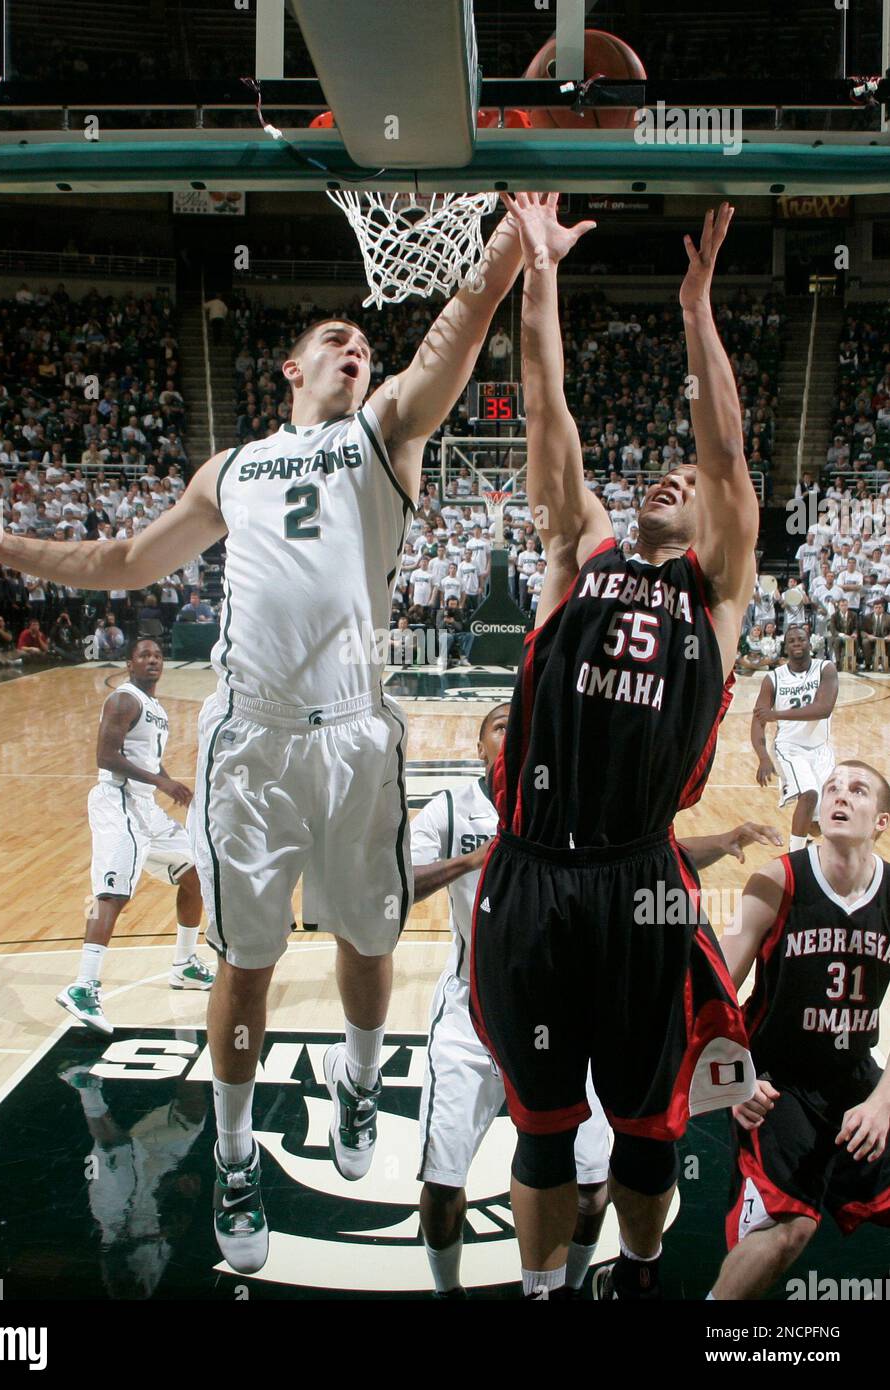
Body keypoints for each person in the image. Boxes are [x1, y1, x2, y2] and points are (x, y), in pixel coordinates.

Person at [0, 206, 527, 1277]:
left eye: (365, 343)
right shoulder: (231, 469)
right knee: (245, 963)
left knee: (367, 939)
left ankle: (356, 1080)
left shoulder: (385, 431)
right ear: (291, 366)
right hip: (249, 744)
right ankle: (241, 1153)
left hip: (355, 736)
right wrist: (2, 544)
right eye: (335, 340)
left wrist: (501, 253)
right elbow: (122, 556)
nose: (357, 348)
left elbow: (450, 342)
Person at [469, 197, 759, 1302]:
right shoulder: (575, 550)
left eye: (687, 487)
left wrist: (697, 308)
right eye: (662, 477)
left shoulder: (717, 595)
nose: (672, 481)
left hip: (643, 881)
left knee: (647, 1130)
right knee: (539, 1127)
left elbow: (724, 449)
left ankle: (636, 1277)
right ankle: (545, 1291)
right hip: (535, 871)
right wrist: (539, 277)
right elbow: (546, 411)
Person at [412, 704, 783, 1299]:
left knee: (590, 1184)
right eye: (500, 726)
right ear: (480, 747)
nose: (514, 733)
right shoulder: (450, 809)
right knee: (441, 1178)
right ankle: (445, 1292)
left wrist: (726, 838)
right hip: (470, 1003)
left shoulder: (567, 801)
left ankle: (576, 1286)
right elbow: (396, 884)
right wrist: (474, 859)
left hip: (566, 1007)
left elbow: (648, 855)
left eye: (521, 723)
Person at [709, 761, 890, 1300]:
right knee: (792, 1226)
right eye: (832, 787)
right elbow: (712, 997)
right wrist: (732, 1081)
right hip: (775, 1078)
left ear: (880, 821)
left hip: (854, 1076)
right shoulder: (776, 878)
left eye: (856, 791)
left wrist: (884, 1100)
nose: (839, 795)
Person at [56, 638, 214, 1034]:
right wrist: (163, 781)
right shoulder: (122, 700)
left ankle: (183, 965)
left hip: (144, 806)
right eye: (144, 655)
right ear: (130, 663)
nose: (153, 661)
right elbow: (106, 757)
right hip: (118, 802)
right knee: (112, 893)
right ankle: (83, 987)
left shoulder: (154, 707)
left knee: (196, 870)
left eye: (158, 655)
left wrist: (163, 781)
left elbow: (145, 756)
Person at [752, 625, 838, 851]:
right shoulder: (773, 679)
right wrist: (763, 757)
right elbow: (758, 720)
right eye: (792, 641)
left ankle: (805, 840)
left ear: (810, 643)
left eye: (801, 639)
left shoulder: (826, 669)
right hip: (789, 748)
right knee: (809, 794)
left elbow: (823, 709)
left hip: (821, 750)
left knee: (818, 824)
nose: (797, 643)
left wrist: (777, 714)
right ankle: (795, 854)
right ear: (786, 646)